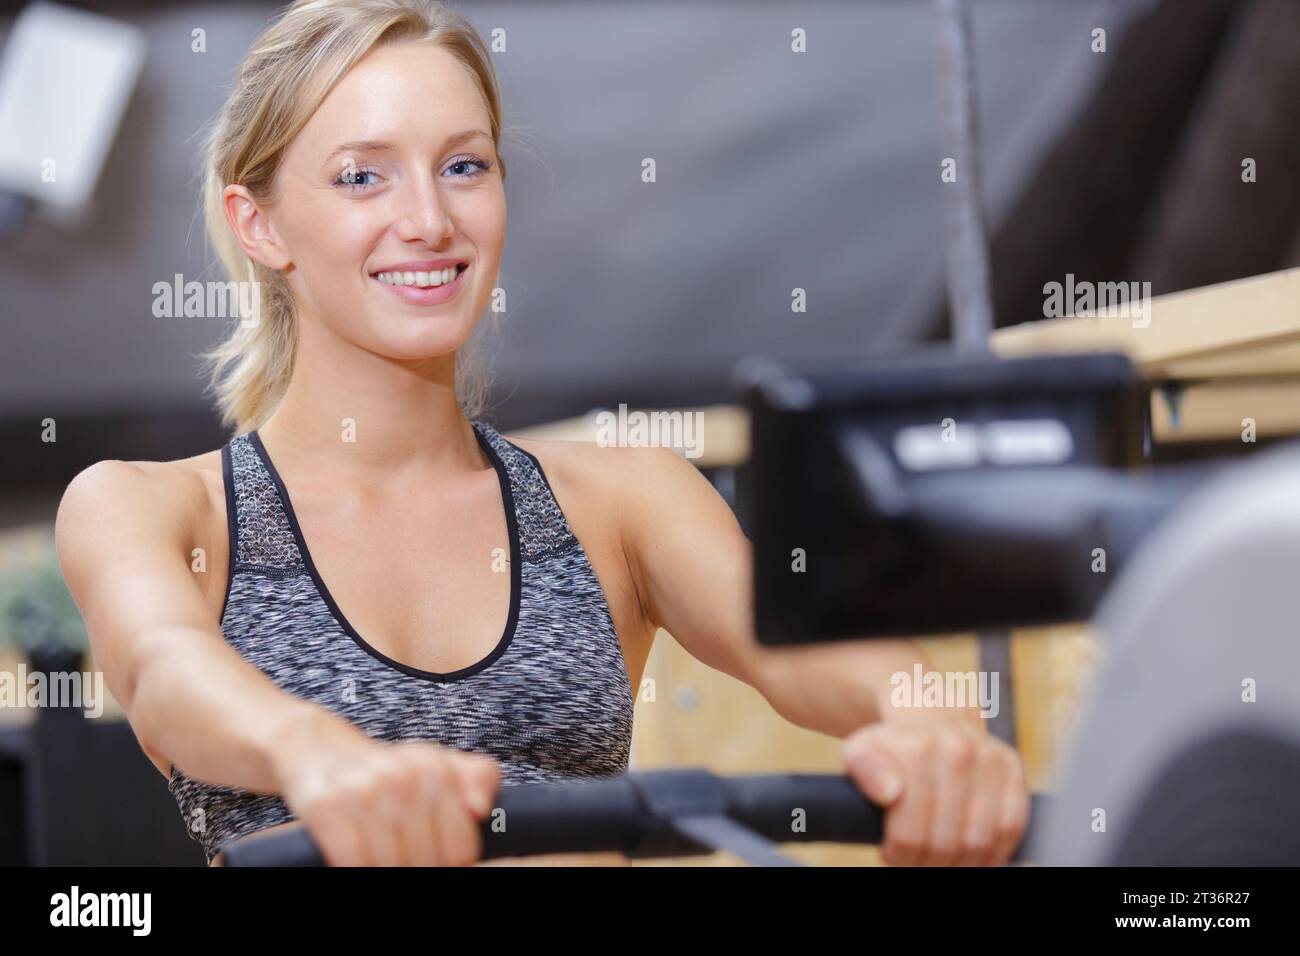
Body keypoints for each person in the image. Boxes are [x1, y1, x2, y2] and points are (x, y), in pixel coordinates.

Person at [55, 0, 1027, 867]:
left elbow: (805, 645)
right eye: (363, 177)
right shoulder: (153, 505)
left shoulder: (624, 500)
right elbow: (159, 667)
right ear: (259, 225)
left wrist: (932, 722)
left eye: (464, 166)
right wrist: (316, 754)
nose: (429, 218)